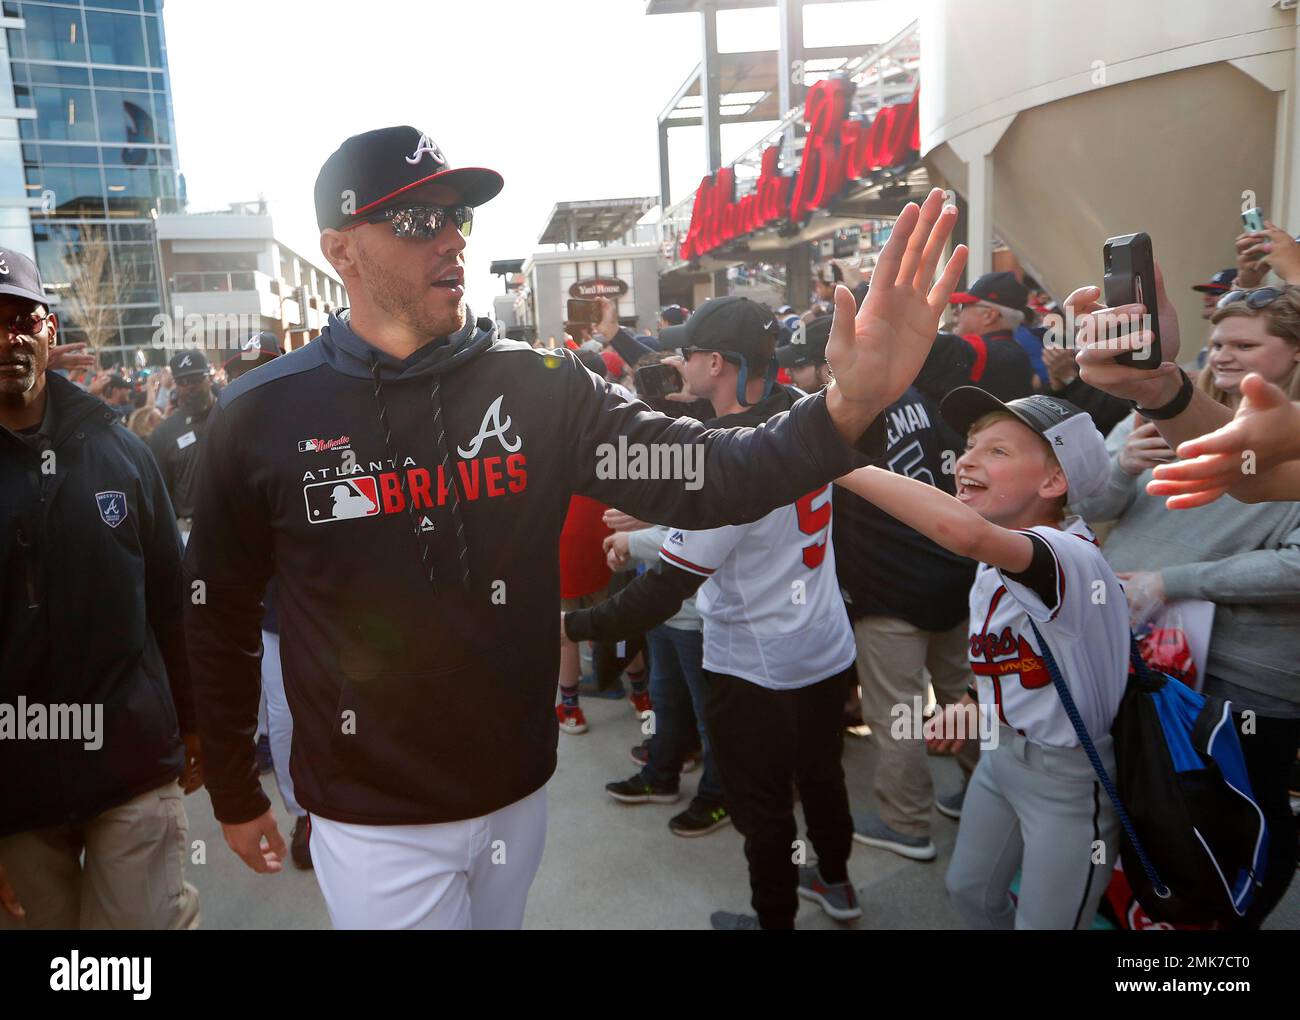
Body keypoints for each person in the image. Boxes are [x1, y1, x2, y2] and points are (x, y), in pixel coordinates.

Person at [182, 125, 966, 930]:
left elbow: (708, 475)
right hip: (372, 812)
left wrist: (850, 403)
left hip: (517, 788)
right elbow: (219, 619)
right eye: (419, 220)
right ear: (342, 252)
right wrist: (236, 792)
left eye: (459, 216)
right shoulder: (257, 416)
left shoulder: (539, 384)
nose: (452, 237)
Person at [564, 296, 861, 929]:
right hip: (824, 644)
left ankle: (773, 919)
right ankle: (836, 883)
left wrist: (568, 627)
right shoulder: (804, 422)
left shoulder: (727, 459)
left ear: (718, 365)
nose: (678, 361)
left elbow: (659, 592)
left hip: (757, 666)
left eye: (688, 352)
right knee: (822, 776)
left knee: (763, 807)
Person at [836, 388, 1126, 929]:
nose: (966, 459)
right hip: (1001, 759)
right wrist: (971, 701)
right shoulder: (1001, 554)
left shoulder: (1068, 554)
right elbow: (1015, 655)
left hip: (1068, 783)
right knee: (969, 892)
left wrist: (833, 461)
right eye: (969, 445)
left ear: (1054, 483)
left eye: (998, 451)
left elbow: (961, 533)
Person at [1072, 283, 1300, 927]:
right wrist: (1122, 465)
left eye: (1246, 344)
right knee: (1150, 811)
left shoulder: (1290, 435)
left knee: (1232, 818)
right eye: (1218, 342)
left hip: (1242, 677)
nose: (1224, 356)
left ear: (1294, 353)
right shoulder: (1164, 413)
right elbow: (1093, 510)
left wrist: (1172, 581)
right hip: (1141, 654)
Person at [0, 247, 201, 929]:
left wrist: (197, 722)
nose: (9, 339)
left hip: (131, 766)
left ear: (50, 331)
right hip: (14, 793)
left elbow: (172, 601)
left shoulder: (121, 450)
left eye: (22, 319)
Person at [147, 349, 216, 540]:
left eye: (195, 378)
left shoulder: (230, 414)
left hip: (239, 522)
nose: (190, 386)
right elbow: (160, 495)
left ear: (208, 378)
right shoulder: (164, 433)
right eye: (183, 382)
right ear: (175, 385)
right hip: (192, 532)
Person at [947, 271, 1036, 401]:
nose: (956, 312)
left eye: (963, 305)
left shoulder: (981, 347)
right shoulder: (1012, 348)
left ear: (989, 315)